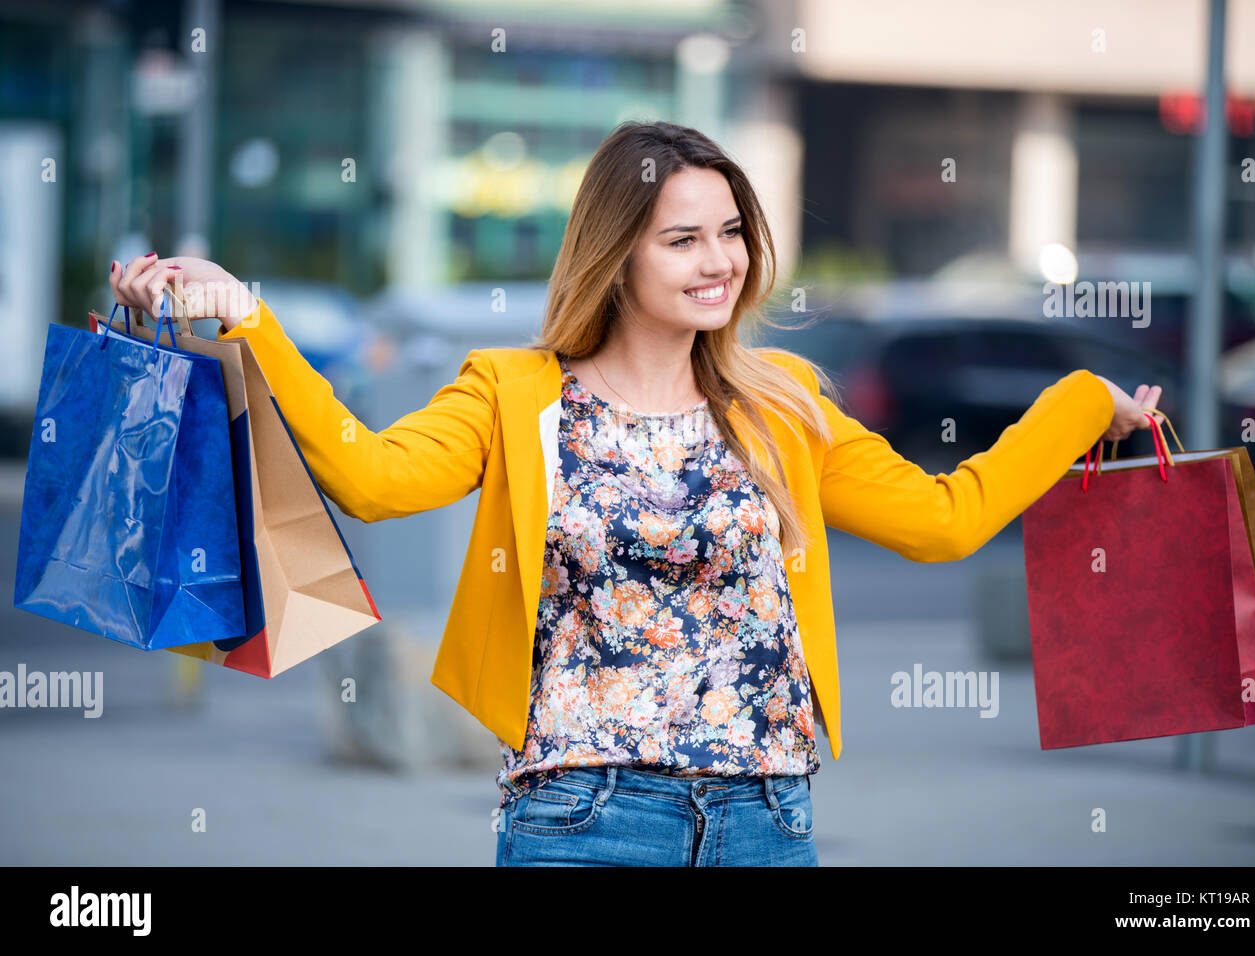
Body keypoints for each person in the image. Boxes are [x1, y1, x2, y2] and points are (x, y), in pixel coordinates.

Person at [109, 120, 1164, 867]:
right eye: (683, 237)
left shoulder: (782, 403)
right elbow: (373, 477)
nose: (720, 262)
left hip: (766, 816)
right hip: (585, 815)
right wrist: (248, 315)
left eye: (731, 231)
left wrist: (1079, 403)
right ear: (617, 256)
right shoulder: (512, 394)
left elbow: (945, 520)